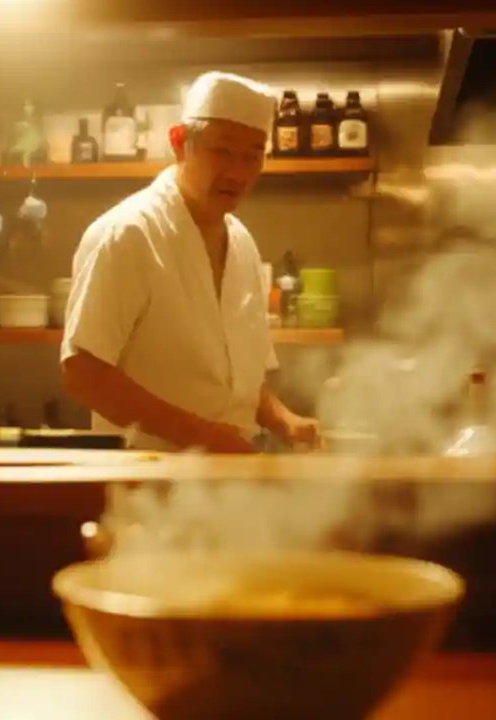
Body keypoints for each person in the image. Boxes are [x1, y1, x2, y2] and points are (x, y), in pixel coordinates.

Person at [60, 71, 320, 453]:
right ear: (180, 143)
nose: (238, 173)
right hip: (147, 475)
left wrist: (285, 420)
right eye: (223, 152)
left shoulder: (242, 243)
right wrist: (203, 437)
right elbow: (84, 372)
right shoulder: (129, 233)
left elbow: (239, 381)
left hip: (227, 477)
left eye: (252, 157)